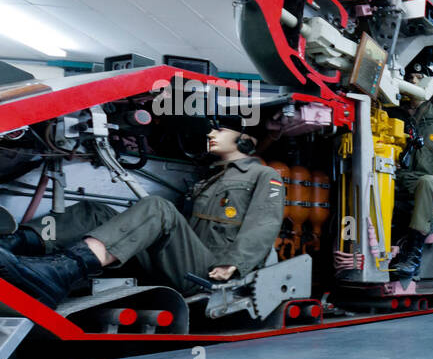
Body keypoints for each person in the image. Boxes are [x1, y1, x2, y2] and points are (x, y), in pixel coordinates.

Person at [0, 116, 283, 308]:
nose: (211, 134)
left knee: (159, 207)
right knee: (96, 211)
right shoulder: (208, 178)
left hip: (205, 272)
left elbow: (264, 224)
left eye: (220, 130)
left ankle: (63, 271)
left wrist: (234, 265)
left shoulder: (263, 175)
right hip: (178, 260)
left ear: (245, 139)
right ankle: (14, 248)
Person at [390, 68, 433, 280]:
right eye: (410, 77)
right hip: (402, 178)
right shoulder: (394, 114)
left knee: (427, 183)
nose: (413, 81)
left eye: (419, 78)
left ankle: (413, 256)